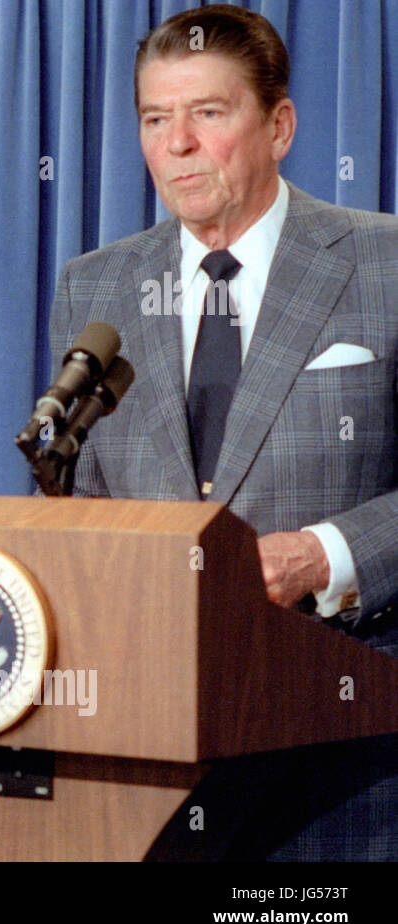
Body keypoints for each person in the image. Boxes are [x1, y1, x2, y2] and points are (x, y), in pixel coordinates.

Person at [49, 4, 398, 860]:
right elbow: (76, 497)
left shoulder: (384, 264)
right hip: (147, 766)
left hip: (345, 757)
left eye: (208, 113)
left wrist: (327, 554)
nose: (177, 144)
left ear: (278, 125)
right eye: (155, 118)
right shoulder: (95, 287)